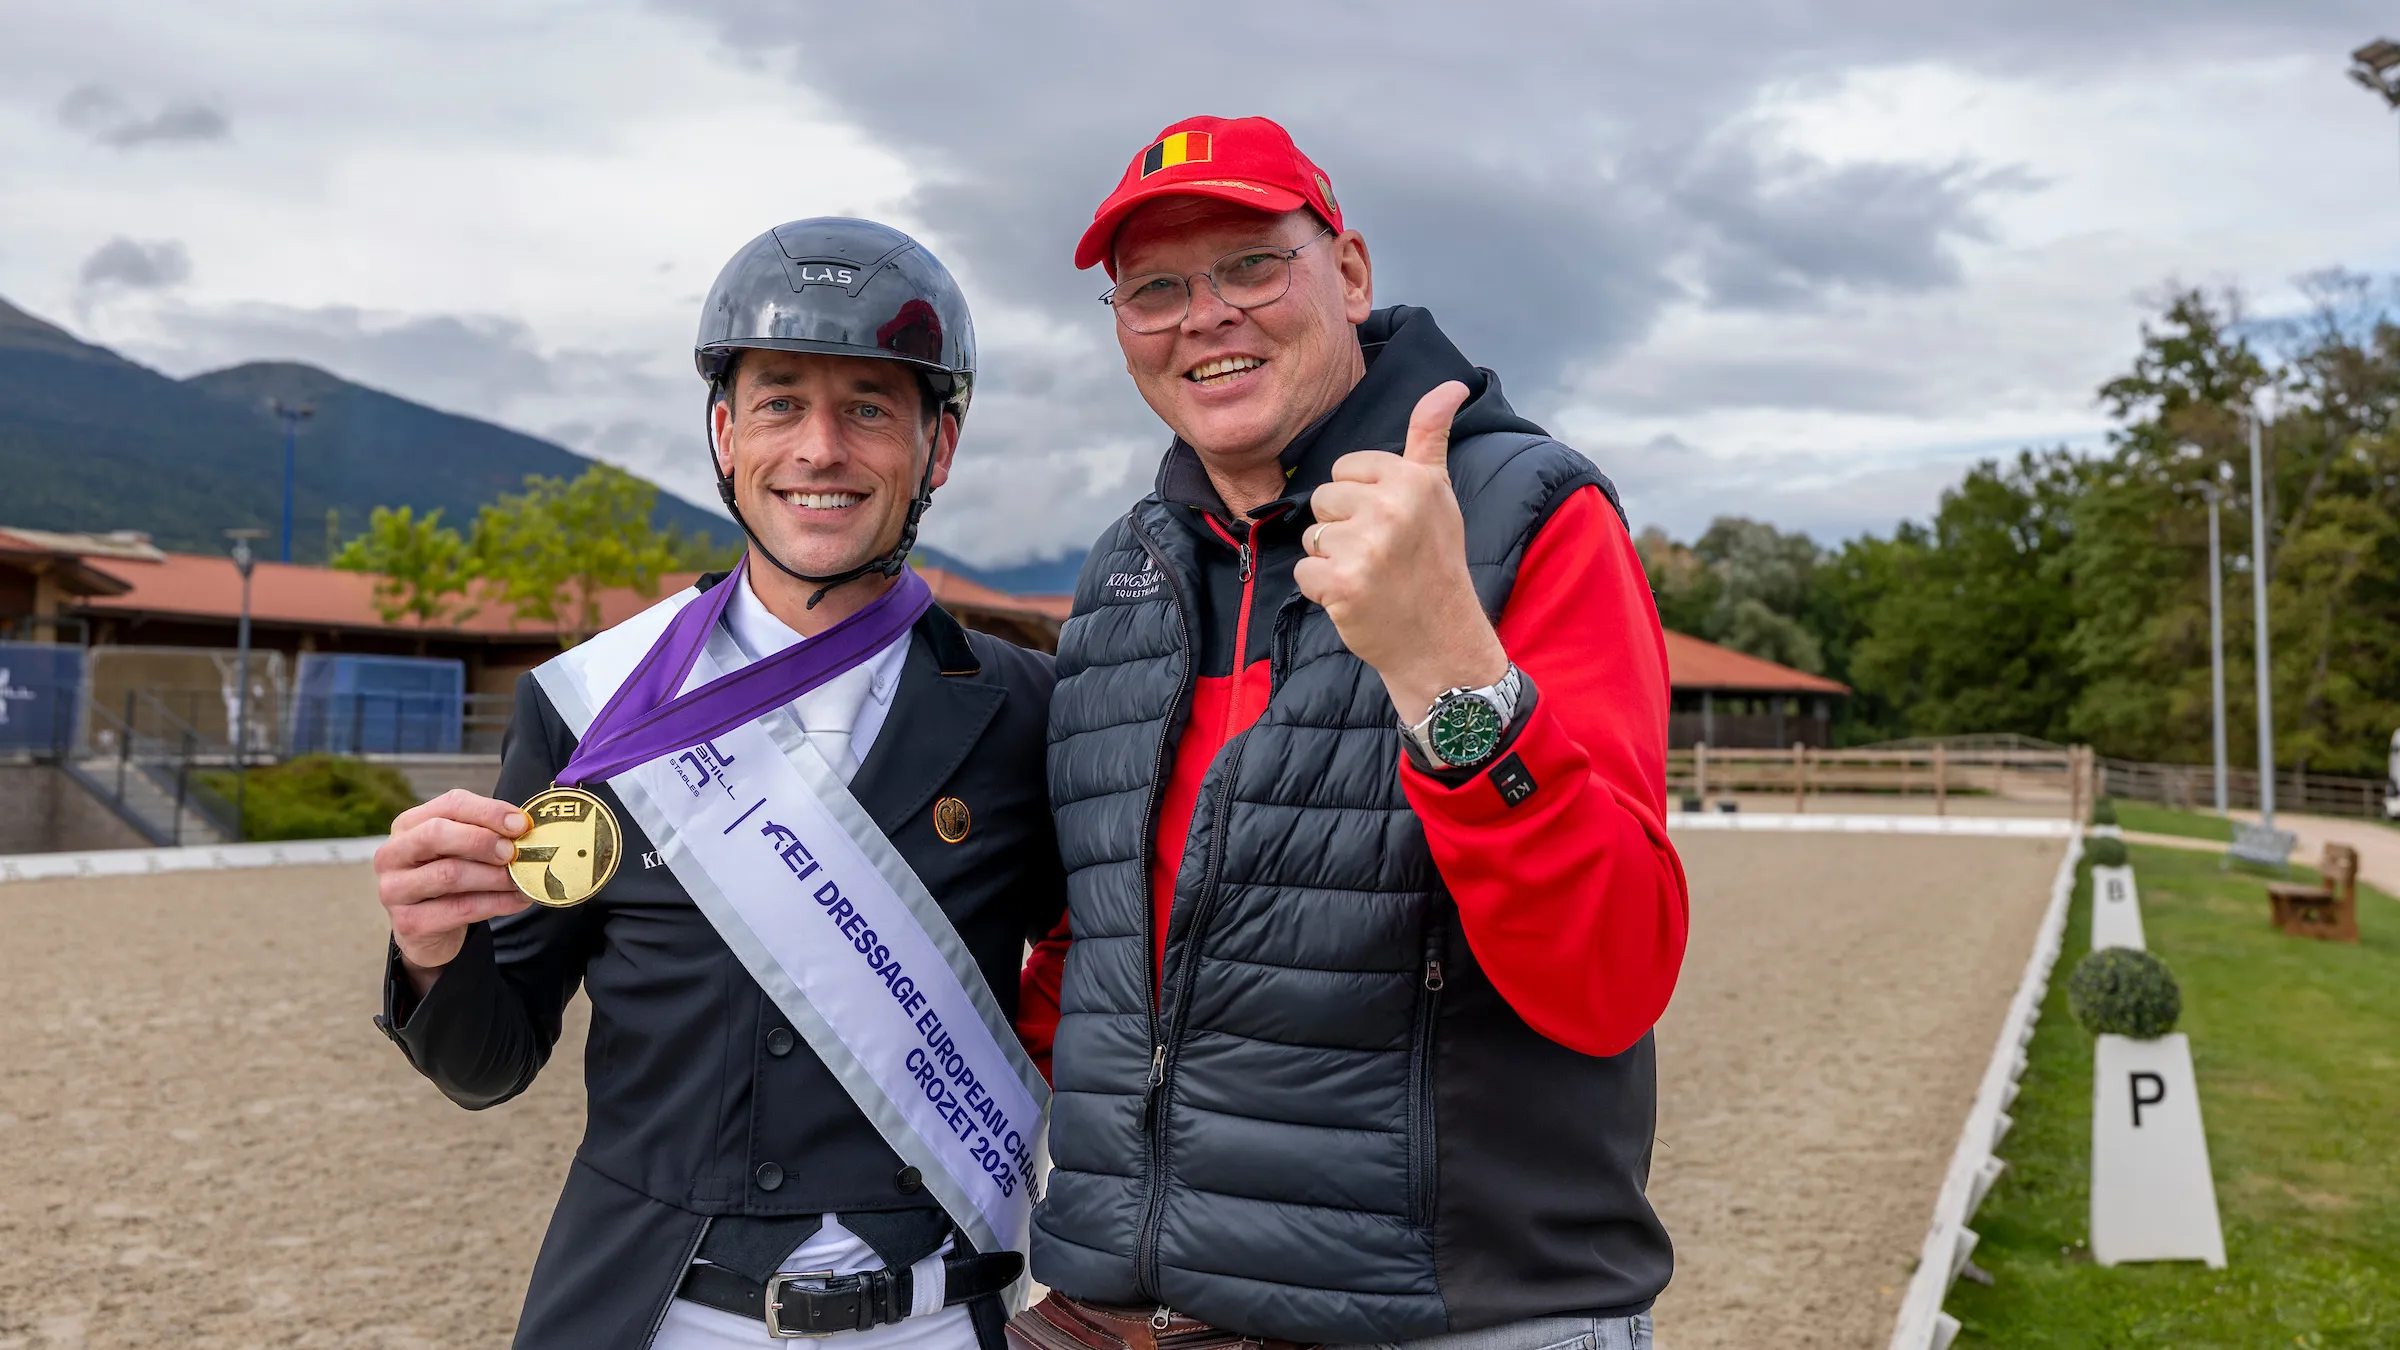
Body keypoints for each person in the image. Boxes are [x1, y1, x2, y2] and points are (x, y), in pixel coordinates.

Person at [1016, 117, 1690, 1350]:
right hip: (1119, 1313)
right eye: (1155, 287)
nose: (1203, 314)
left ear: (1353, 271)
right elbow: (1090, 956)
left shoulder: (1527, 514)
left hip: (1444, 1316)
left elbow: (1613, 974)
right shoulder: (1130, 567)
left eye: (1251, 266)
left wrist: (1446, 670)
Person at [372, 218, 1063, 1350]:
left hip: (940, 1317)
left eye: (871, 408)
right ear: (723, 431)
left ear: (937, 449)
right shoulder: (589, 709)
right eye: (781, 402)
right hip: (654, 1315)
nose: (821, 448)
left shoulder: (1028, 708)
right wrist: (430, 951)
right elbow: (487, 1066)